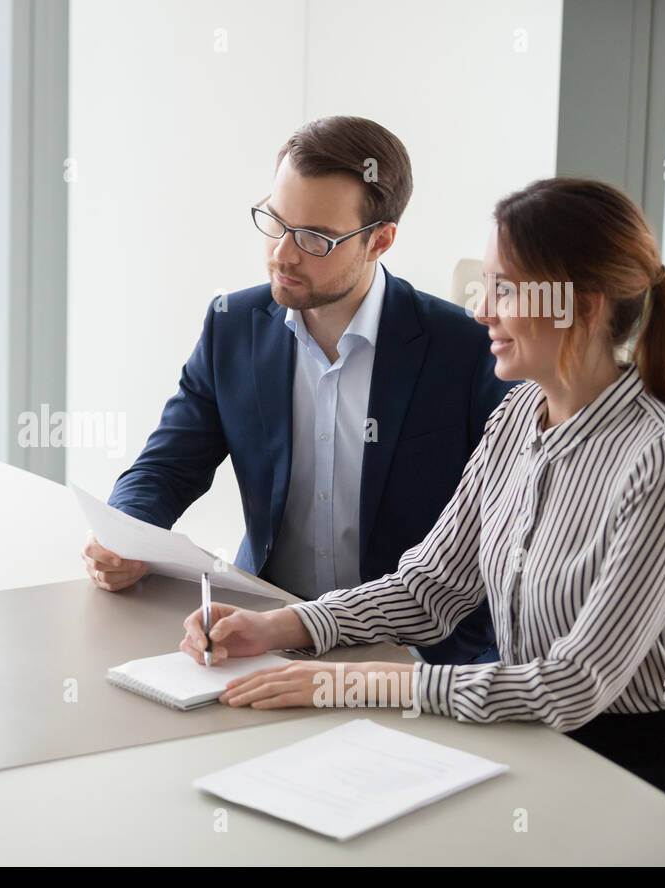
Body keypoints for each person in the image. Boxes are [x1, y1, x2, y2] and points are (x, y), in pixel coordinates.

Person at [179, 177, 665, 826]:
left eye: (505, 289)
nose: (482, 310)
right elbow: (430, 588)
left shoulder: (662, 454)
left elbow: (574, 684)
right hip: (533, 732)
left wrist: (352, 683)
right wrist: (283, 627)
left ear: (583, 307)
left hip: (651, 769)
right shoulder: (520, 415)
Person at [83, 116, 514, 665]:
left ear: (380, 240)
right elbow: (167, 467)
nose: (282, 255)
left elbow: (494, 543)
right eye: (275, 222)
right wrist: (127, 535)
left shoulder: (467, 350)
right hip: (262, 628)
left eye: (315, 238)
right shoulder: (233, 325)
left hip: (406, 649)